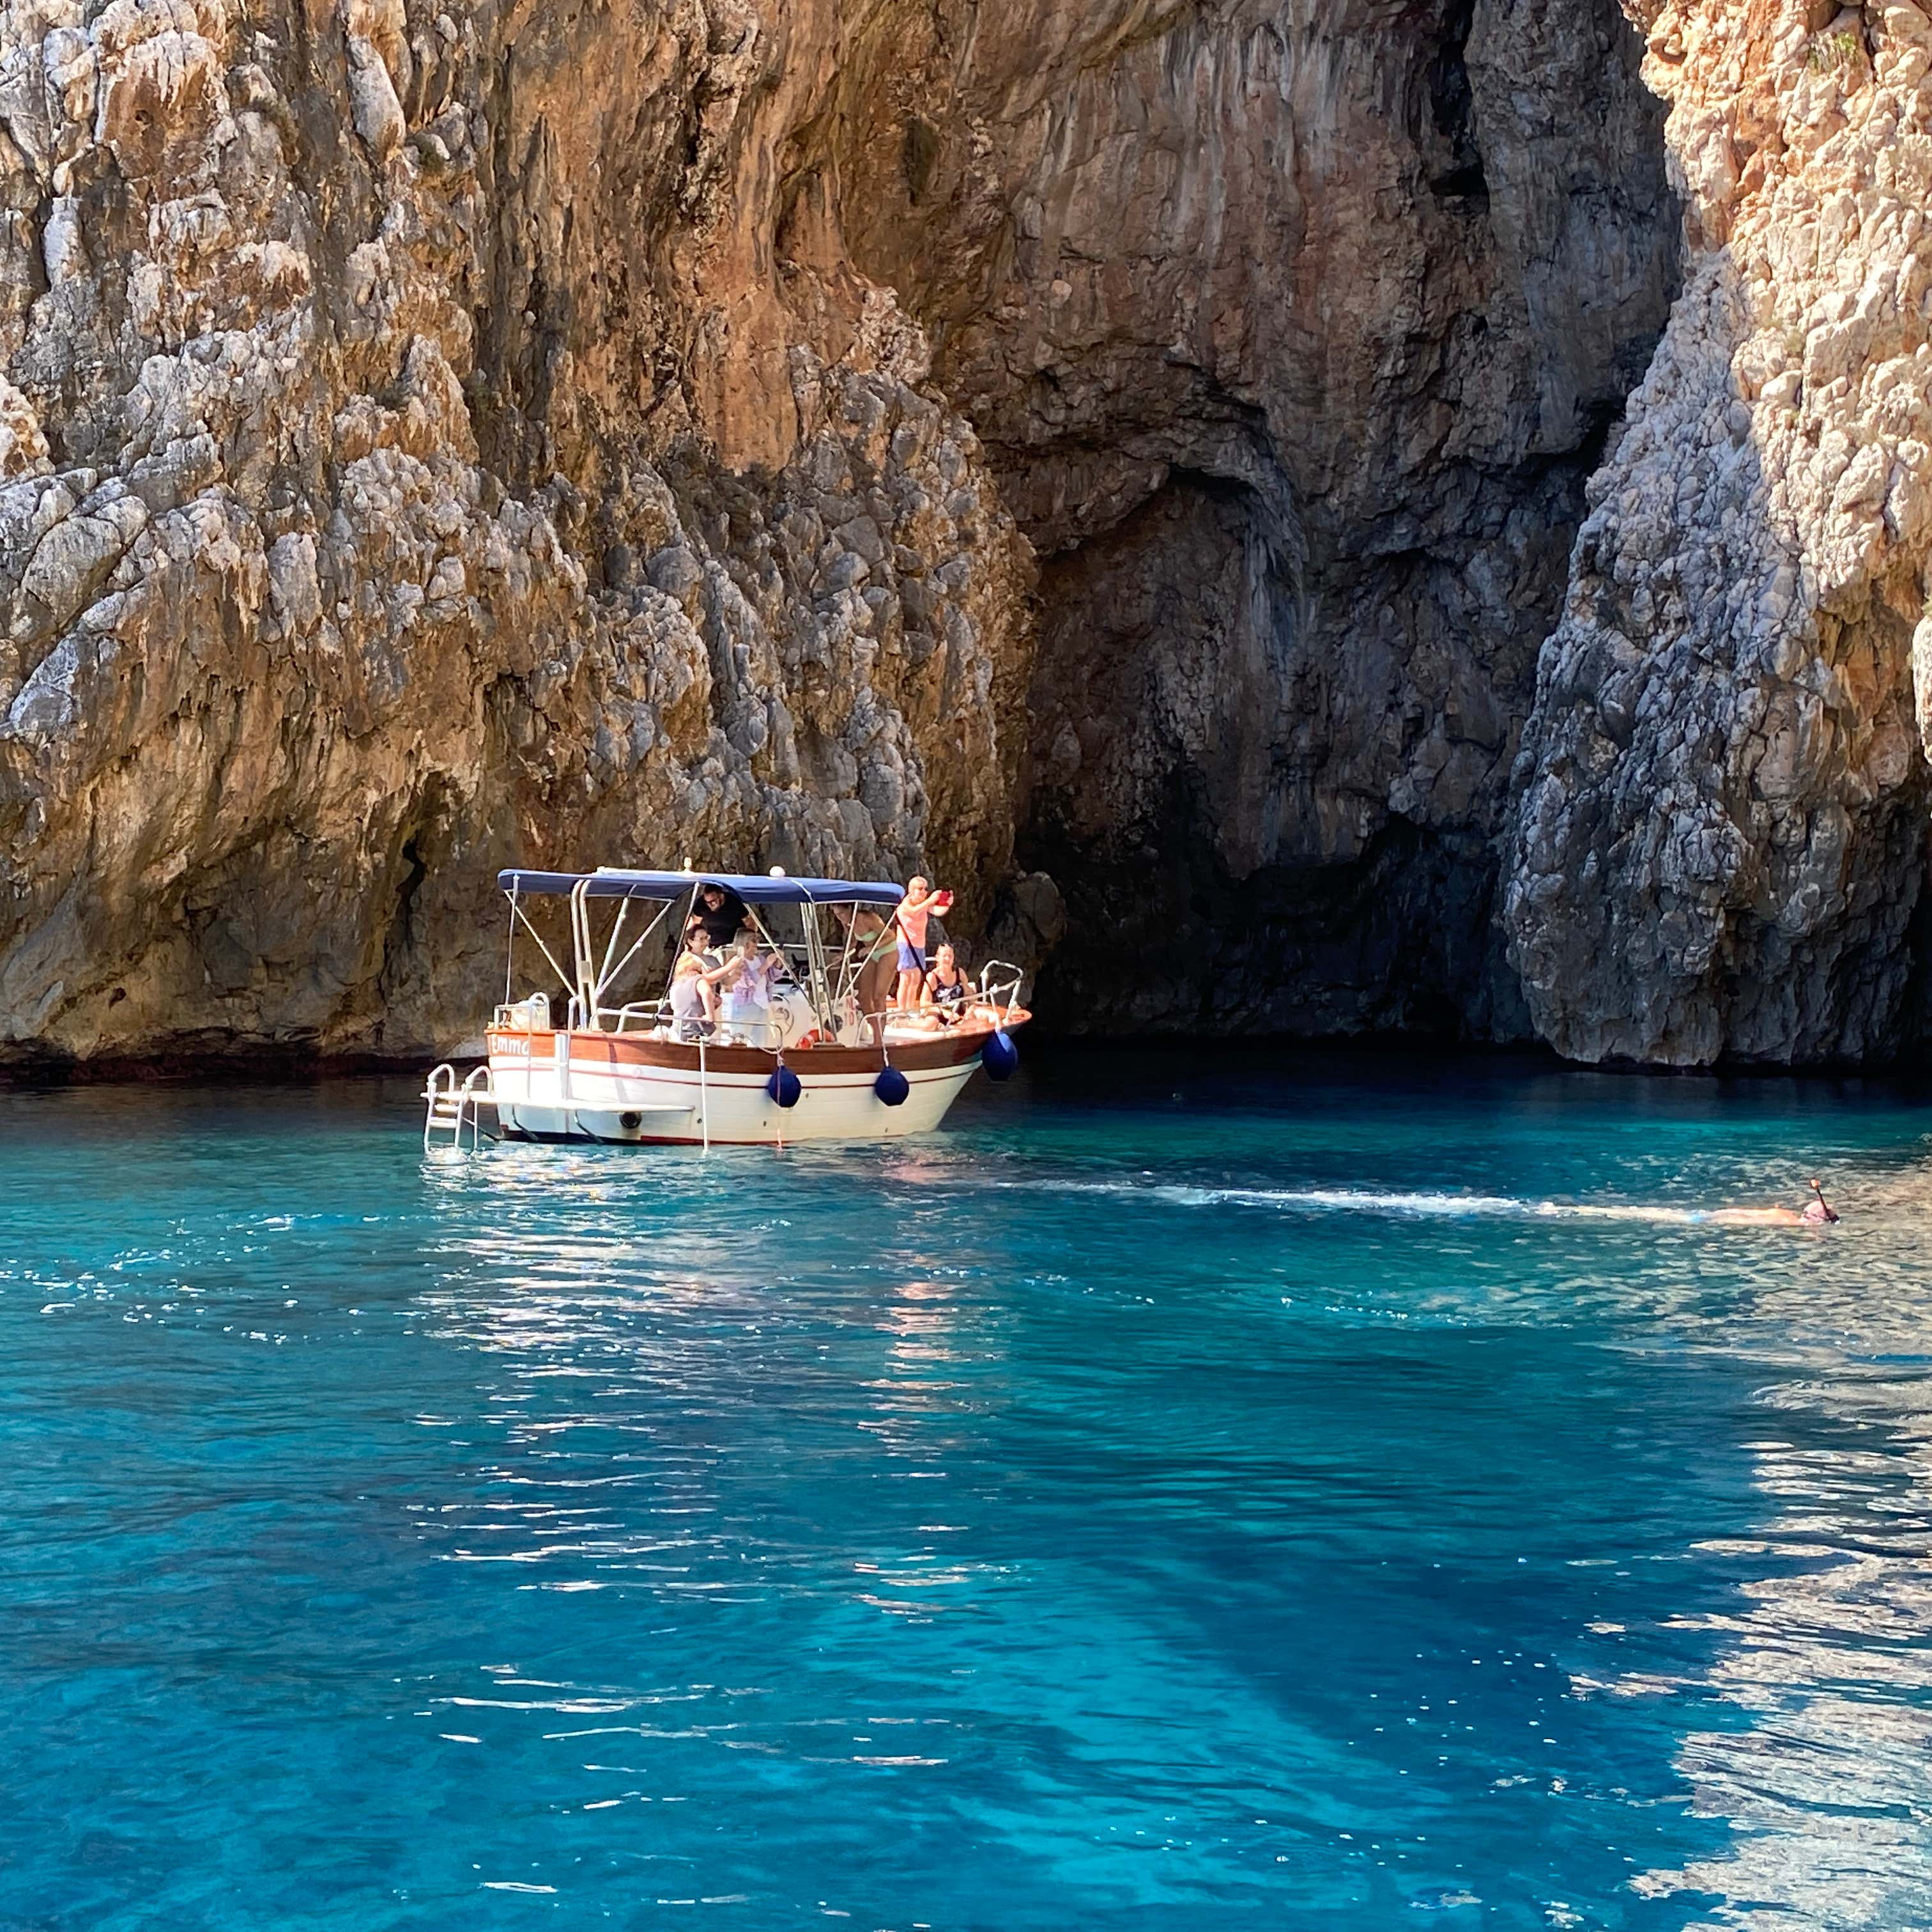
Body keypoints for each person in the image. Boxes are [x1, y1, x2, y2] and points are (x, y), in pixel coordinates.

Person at [892, 875, 951, 1011]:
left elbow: (937, 911)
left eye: (926, 889)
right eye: (920, 889)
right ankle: (902, 1010)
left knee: (915, 979)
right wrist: (930, 900)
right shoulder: (905, 904)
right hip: (906, 945)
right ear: (912, 891)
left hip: (919, 945)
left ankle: (910, 1007)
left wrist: (947, 903)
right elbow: (913, 912)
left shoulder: (924, 904)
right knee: (906, 979)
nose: (924, 892)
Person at [668, 917, 734, 1039]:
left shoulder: (712, 959)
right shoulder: (687, 958)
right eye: (701, 939)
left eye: (706, 938)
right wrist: (729, 967)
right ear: (690, 941)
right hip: (695, 1006)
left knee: (716, 1037)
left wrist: (737, 972)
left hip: (711, 1003)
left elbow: (725, 980)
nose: (705, 942)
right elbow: (706, 980)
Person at [719, 930, 781, 1046]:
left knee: (760, 1043)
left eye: (757, 940)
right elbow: (747, 982)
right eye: (753, 940)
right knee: (740, 1040)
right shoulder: (738, 962)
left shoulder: (760, 959)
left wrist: (778, 963)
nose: (757, 943)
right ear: (744, 942)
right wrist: (766, 964)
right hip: (744, 1006)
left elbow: (772, 977)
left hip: (762, 1004)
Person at [921, 942, 972, 1025]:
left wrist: (971, 1008)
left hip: (958, 1015)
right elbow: (924, 1003)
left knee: (982, 1016)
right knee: (931, 1024)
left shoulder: (960, 973)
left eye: (950, 956)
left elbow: (969, 995)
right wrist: (943, 1012)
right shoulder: (932, 977)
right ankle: (905, 1023)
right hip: (939, 1015)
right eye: (944, 956)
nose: (947, 959)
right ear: (937, 958)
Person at [692, 880, 749, 949]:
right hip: (709, 945)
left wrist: (747, 942)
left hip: (732, 946)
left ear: (721, 896)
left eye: (713, 902)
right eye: (707, 902)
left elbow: (749, 922)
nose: (710, 905)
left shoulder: (736, 903)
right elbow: (696, 924)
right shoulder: (701, 904)